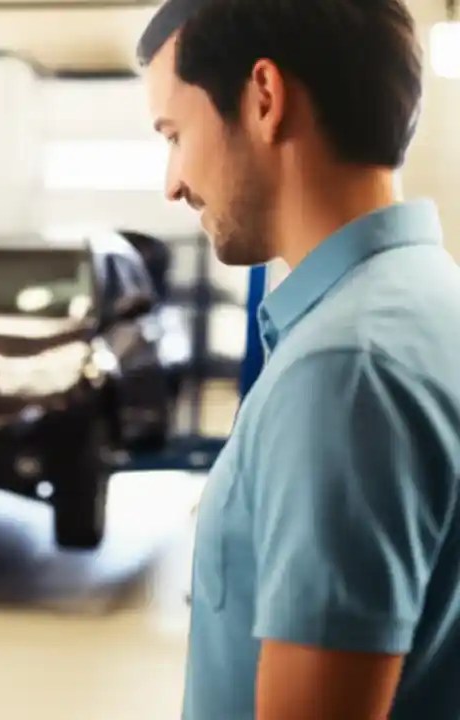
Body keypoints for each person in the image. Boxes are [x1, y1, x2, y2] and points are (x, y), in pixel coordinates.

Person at [138, 0, 460, 718]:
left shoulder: (344, 369)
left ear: (263, 98)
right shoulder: (433, 300)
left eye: (175, 134)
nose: (173, 183)